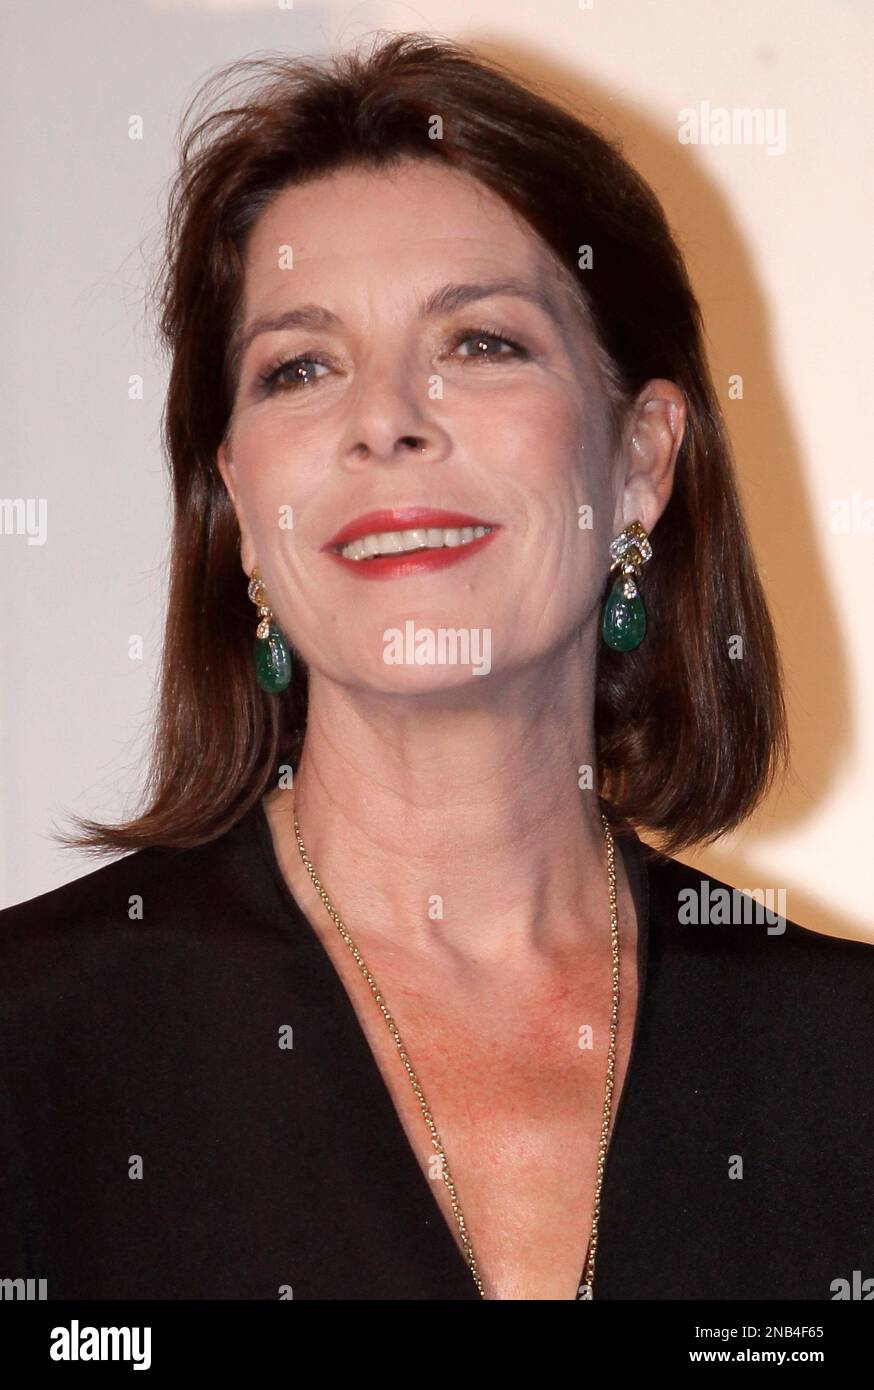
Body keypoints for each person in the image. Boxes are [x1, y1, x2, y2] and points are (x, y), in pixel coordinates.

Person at [1, 32, 871, 1303]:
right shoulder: (32, 1050)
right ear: (241, 498)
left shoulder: (846, 1058)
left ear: (639, 458)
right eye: (300, 366)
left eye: (480, 342)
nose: (385, 418)